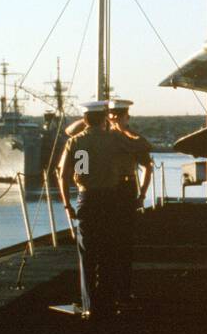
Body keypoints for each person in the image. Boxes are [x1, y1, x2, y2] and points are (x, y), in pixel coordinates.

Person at [57, 100, 131, 320]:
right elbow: (142, 147)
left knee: (87, 255)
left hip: (87, 198)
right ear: (105, 117)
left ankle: (90, 306)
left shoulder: (76, 142)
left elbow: (65, 175)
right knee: (109, 252)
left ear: (86, 118)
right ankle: (107, 302)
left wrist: (67, 205)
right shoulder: (115, 139)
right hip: (111, 199)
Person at [106, 98, 152, 303]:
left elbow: (147, 161)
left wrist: (142, 194)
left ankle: (123, 290)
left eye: (120, 115)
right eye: (112, 114)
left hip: (125, 188)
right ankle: (107, 289)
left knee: (124, 241)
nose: (115, 118)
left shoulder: (133, 139)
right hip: (106, 189)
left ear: (127, 117)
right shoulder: (101, 137)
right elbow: (71, 132)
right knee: (106, 241)